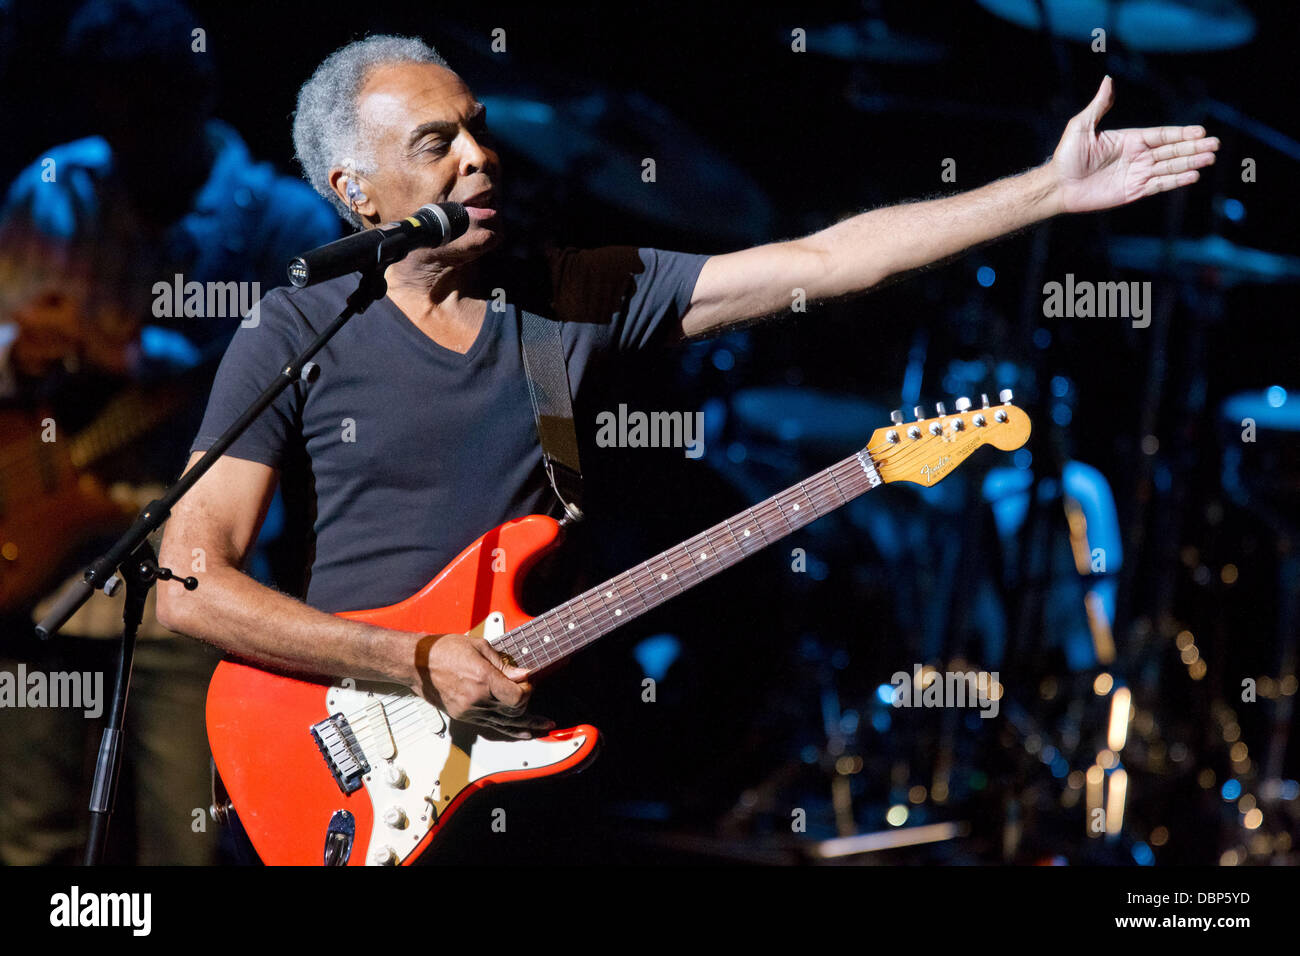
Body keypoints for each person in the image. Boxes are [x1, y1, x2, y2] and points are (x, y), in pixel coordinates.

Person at [157, 36, 1218, 753]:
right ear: (353, 189)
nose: (481, 158)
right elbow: (189, 583)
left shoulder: (573, 293)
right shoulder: (298, 326)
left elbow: (826, 258)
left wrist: (1046, 188)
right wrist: (412, 655)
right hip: (344, 750)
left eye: (477, 128)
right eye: (437, 145)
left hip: (531, 749)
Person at [0, 0, 340, 864]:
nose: (128, 140)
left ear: (200, 96)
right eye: (108, 115)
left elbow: (295, 405)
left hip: (194, 584)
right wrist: (28, 357)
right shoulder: (54, 192)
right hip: (49, 565)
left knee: (185, 845)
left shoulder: (287, 228)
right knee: (31, 836)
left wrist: (140, 352)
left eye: (148, 115)